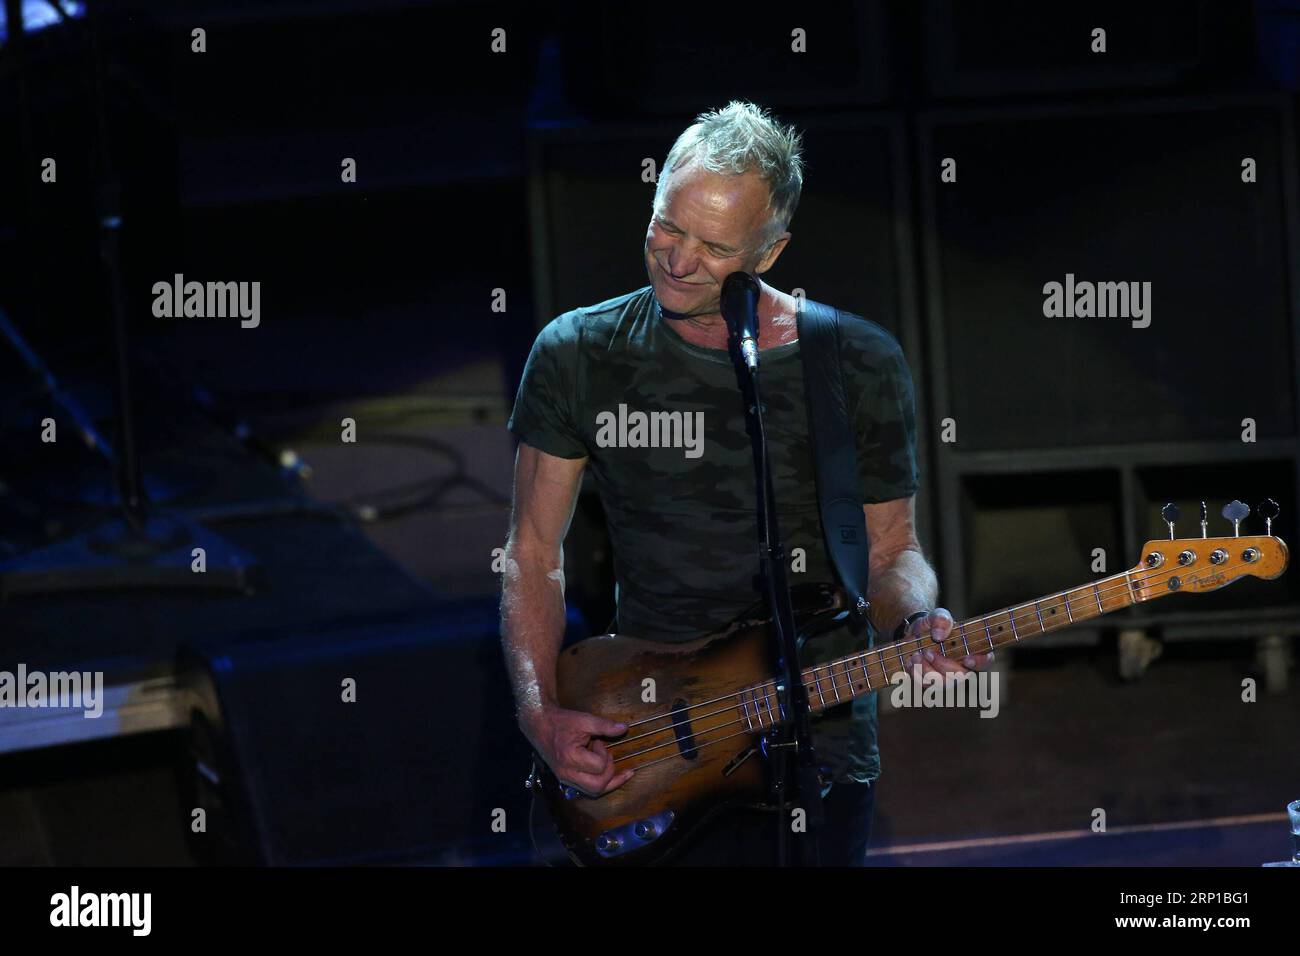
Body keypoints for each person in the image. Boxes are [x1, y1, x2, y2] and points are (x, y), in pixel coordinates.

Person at [501, 100, 991, 866]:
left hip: (819, 735)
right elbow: (532, 554)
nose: (677, 259)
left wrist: (913, 623)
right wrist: (539, 713)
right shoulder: (576, 354)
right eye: (668, 224)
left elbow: (893, 548)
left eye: (714, 246)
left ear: (769, 251)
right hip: (653, 730)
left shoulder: (856, 363)